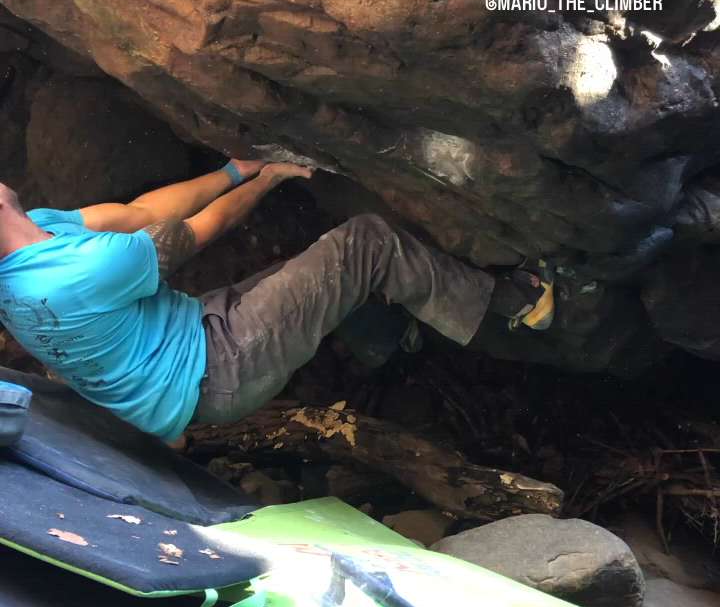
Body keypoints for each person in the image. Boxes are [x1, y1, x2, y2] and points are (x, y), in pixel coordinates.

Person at [0, 161, 553, 442]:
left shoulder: (33, 241)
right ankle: (515, 305)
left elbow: (140, 212)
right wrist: (268, 178)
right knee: (367, 243)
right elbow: (201, 229)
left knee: (315, 270)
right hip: (215, 369)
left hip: (183, 345)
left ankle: (385, 339)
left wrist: (232, 170)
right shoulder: (78, 272)